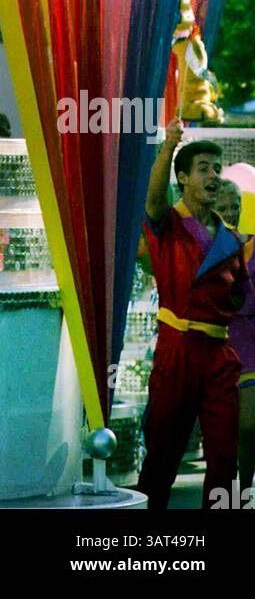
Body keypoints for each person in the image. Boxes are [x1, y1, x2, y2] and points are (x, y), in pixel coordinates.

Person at [137, 121, 248, 510]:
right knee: (163, 452)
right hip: (177, 349)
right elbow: (152, 197)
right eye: (203, 167)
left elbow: (239, 299)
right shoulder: (167, 225)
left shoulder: (233, 241)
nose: (214, 175)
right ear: (182, 178)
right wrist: (168, 146)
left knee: (224, 457)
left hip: (218, 355)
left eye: (217, 168)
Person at [215, 178, 255, 493]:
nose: (231, 212)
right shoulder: (206, 248)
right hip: (217, 338)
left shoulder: (251, 243)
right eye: (224, 207)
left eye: (235, 207)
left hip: (250, 339)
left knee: (248, 424)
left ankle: (244, 487)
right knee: (225, 427)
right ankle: (227, 489)